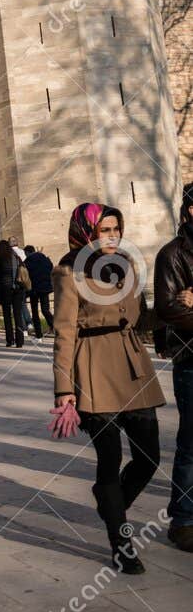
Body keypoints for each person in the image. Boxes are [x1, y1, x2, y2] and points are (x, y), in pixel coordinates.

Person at [53, 202, 163, 574]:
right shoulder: (69, 272)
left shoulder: (127, 266)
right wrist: (63, 388)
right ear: (87, 233)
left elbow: (140, 315)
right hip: (94, 366)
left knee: (149, 457)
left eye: (117, 228)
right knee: (110, 460)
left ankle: (109, 499)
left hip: (133, 365)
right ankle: (122, 542)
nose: (113, 236)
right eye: (104, 230)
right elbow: (64, 332)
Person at [152, 182, 193, 552]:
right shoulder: (173, 255)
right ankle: (183, 520)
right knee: (191, 443)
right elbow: (169, 309)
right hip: (192, 360)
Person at [0, 239, 24, 348]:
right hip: (18, 288)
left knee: (7, 315)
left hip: (5, 289)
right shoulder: (17, 257)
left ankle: (9, 340)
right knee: (18, 315)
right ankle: (20, 341)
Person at [24, 244, 55, 338]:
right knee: (45, 309)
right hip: (45, 288)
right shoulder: (44, 259)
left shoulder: (27, 261)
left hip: (34, 289)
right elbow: (50, 268)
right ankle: (54, 327)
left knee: (35, 311)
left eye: (25, 253)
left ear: (28, 252)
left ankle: (39, 334)